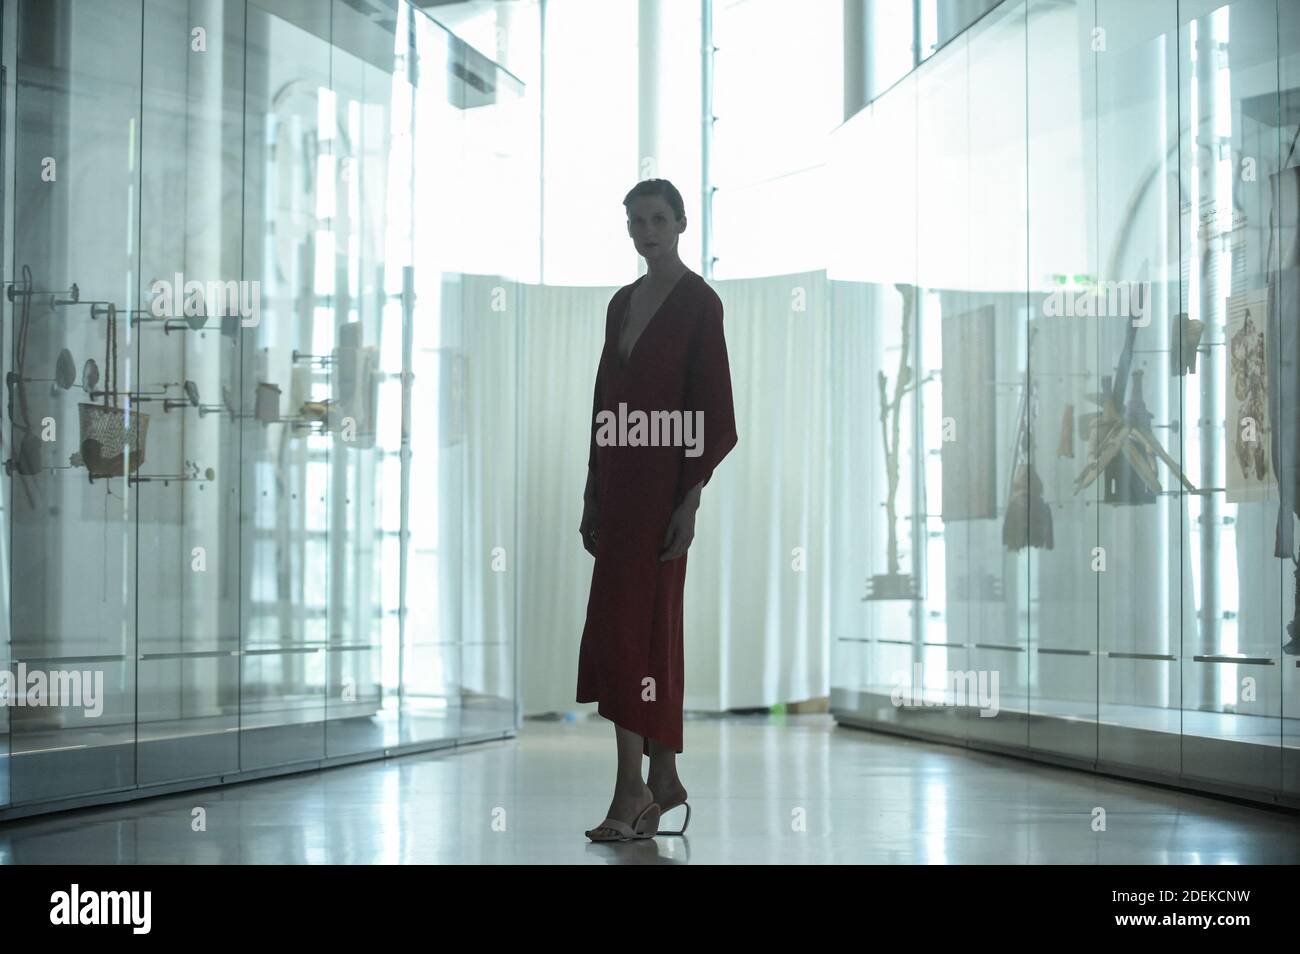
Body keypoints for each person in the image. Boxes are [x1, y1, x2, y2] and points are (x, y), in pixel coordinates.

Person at [577, 178, 738, 842]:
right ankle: (660, 779)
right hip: (618, 488)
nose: (647, 230)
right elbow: (602, 402)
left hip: (663, 494)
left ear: (681, 222)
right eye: (636, 220)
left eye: (658, 219)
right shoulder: (621, 304)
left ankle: (632, 791)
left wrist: (690, 501)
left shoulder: (700, 303)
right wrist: (591, 491)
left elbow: (712, 406)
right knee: (631, 634)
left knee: (639, 634)